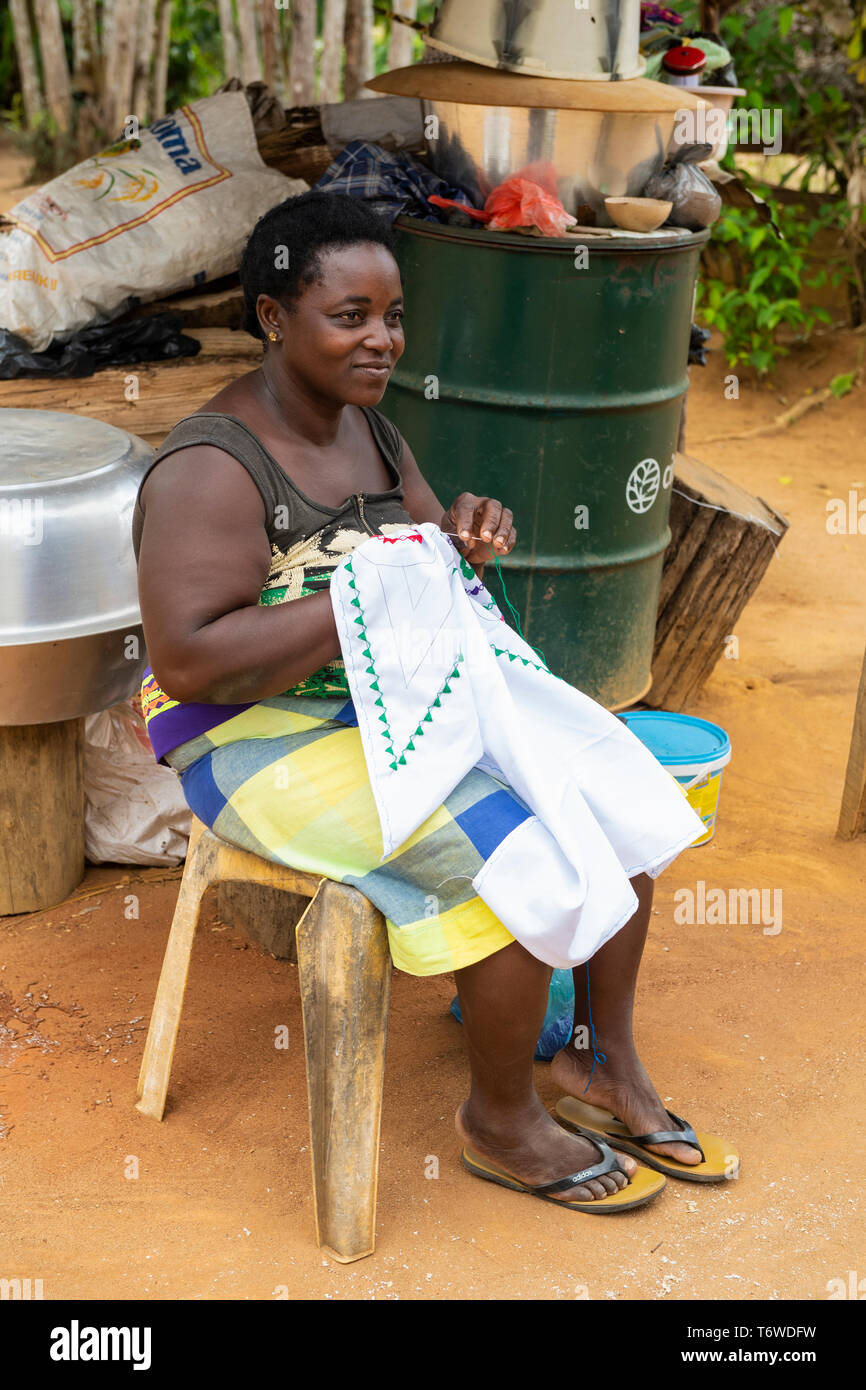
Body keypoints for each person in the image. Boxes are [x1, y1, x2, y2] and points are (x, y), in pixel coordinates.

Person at [133, 191, 732, 1215]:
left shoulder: (370, 430)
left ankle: (597, 1060)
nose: (381, 339)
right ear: (276, 318)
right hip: (249, 735)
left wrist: (460, 535)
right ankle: (496, 1120)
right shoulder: (210, 466)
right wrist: (364, 598)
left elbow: (423, 560)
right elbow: (190, 661)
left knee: (611, 791)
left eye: (393, 314)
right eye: (349, 315)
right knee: (513, 846)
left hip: (377, 698)